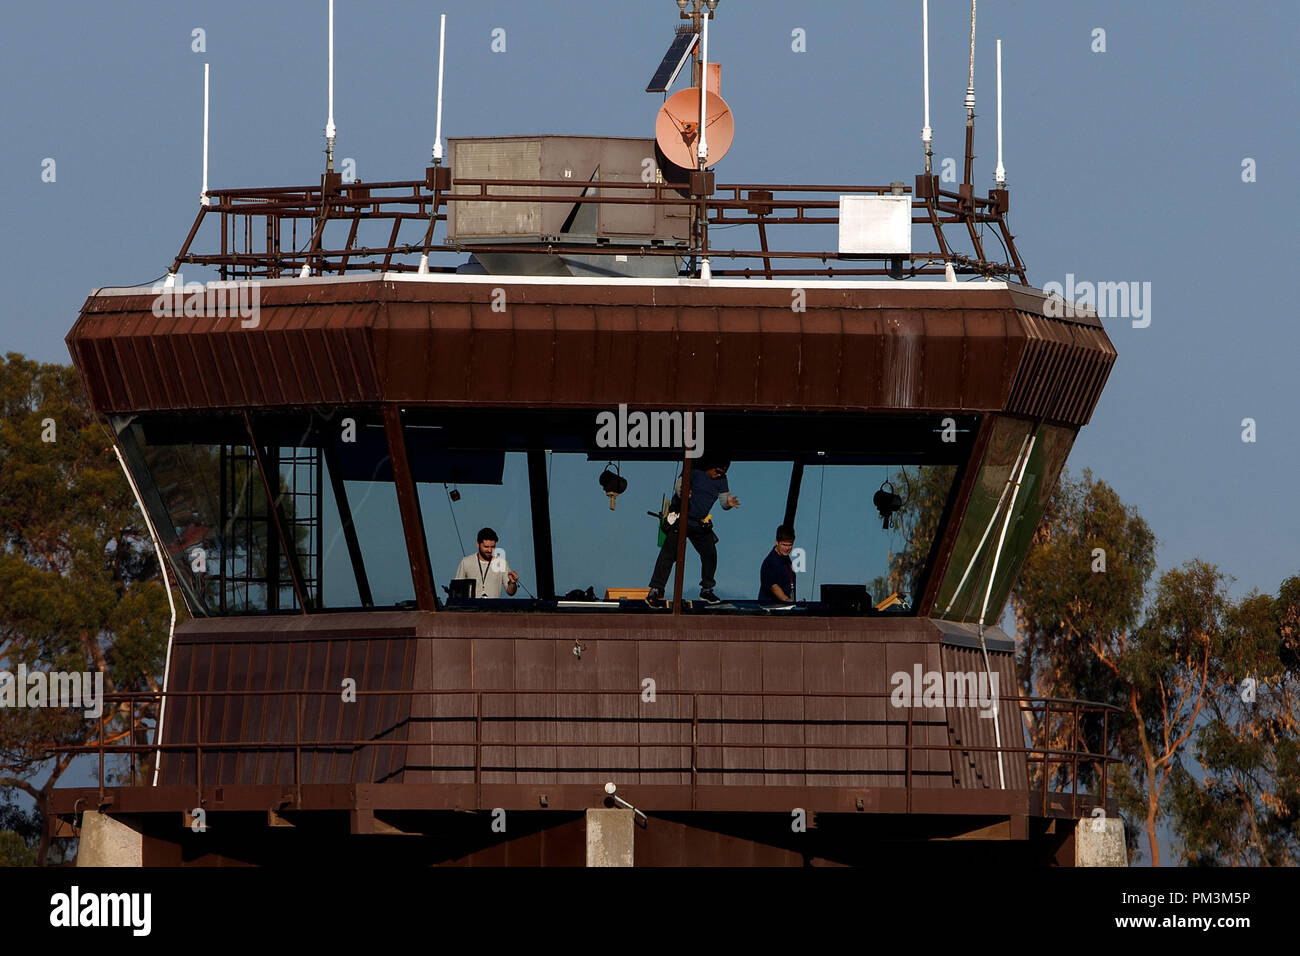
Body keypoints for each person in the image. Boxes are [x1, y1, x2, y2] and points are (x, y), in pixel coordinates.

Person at [646, 459, 739, 606]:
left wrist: (729, 504)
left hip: (699, 522)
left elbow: (723, 502)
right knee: (669, 554)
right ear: (710, 465)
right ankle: (656, 589)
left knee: (710, 554)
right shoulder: (694, 469)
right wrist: (682, 492)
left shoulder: (722, 480)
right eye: (717, 471)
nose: (718, 475)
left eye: (723, 473)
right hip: (680, 518)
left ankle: (706, 590)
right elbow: (679, 485)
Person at [453, 527, 519, 598]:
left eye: (493, 547)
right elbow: (457, 591)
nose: (490, 550)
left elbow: (510, 592)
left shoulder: (501, 563)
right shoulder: (466, 562)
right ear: (478, 544)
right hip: (471, 608)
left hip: (494, 608)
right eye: (486, 547)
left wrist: (512, 582)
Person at [758, 525, 797, 604]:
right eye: (784, 545)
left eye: (790, 545)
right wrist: (786, 600)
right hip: (771, 609)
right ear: (777, 542)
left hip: (786, 607)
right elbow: (773, 586)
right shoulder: (770, 562)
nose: (787, 548)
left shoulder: (786, 559)